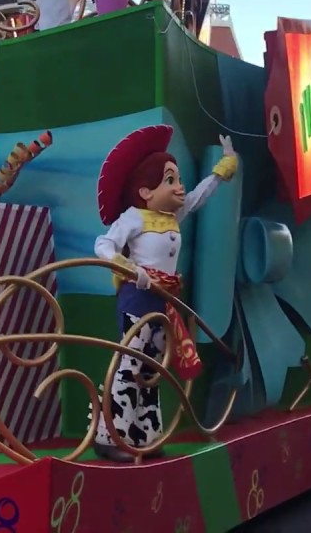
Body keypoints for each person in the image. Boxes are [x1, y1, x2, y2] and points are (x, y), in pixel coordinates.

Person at [91, 125, 237, 461]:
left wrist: (224, 167)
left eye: (178, 179)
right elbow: (103, 244)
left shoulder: (170, 218)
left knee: (152, 372)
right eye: (170, 180)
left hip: (163, 302)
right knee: (129, 365)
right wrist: (130, 268)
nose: (179, 186)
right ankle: (112, 437)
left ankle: (145, 435)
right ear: (145, 190)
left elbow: (198, 197)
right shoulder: (134, 218)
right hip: (137, 301)